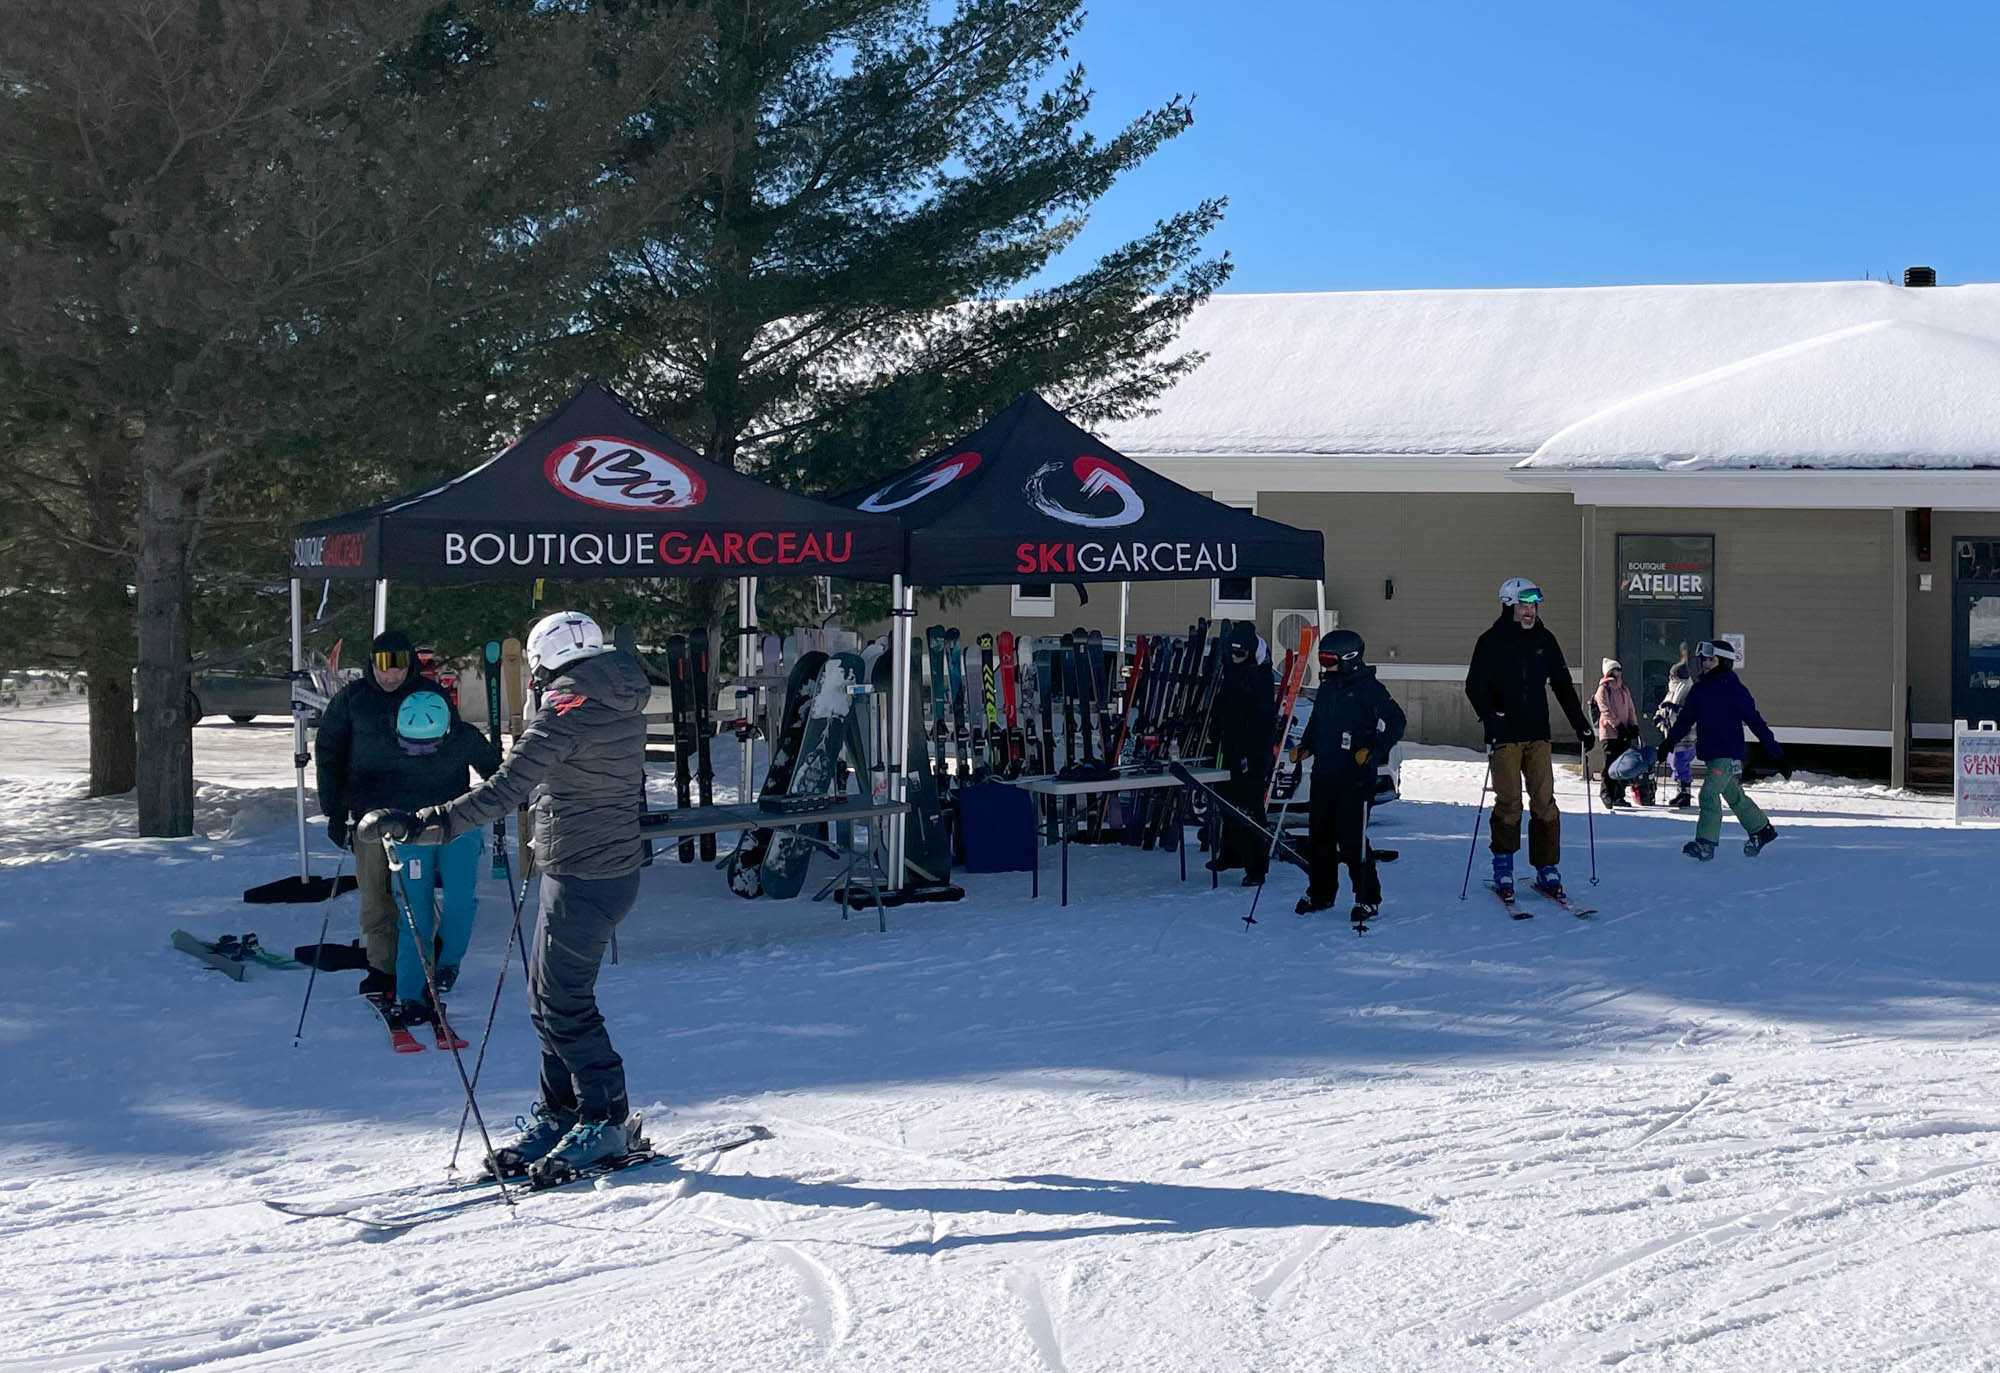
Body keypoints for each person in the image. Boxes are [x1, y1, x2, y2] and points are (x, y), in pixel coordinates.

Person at [363, 610, 651, 1185]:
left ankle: (606, 1119)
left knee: (564, 1001)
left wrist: (423, 825)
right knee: (545, 997)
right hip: (590, 867)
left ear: (546, 662)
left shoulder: (568, 709)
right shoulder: (617, 693)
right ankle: (563, 1112)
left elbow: (504, 789)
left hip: (586, 872)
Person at [315, 629, 449, 999]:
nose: (390, 674)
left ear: (410, 665)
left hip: (417, 816)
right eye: (382, 665)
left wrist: (450, 808)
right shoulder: (351, 699)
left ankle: (422, 963)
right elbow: (329, 753)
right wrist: (335, 811)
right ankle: (381, 967)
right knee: (376, 897)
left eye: (398, 666)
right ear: (371, 664)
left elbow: (451, 751)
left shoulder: (429, 696)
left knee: (415, 896)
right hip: (367, 815)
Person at [1463, 578, 1593, 900]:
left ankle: (1547, 866)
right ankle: (1503, 865)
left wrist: (1581, 726)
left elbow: (1562, 684)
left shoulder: (1544, 640)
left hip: (1538, 734)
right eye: (1523, 605)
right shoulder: (1491, 641)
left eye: (1533, 605)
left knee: (1544, 803)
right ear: (1508, 605)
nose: (1529, 611)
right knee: (1509, 804)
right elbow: (1474, 685)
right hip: (1505, 736)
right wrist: (1490, 717)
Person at [381, 689, 500, 1035]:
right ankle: (410, 990)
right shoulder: (384, 739)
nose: (421, 752)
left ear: (447, 731)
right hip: (409, 830)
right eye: (411, 745)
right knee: (413, 910)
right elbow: (366, 779)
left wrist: (493, 800)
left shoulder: (464, 736)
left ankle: (447, 962)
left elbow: (498, 775)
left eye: (430, 744)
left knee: (460, 900)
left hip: (458, 826)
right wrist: (367, 814)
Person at [1293, 630, 1405, 923]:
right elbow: (1317, 721)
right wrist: (1306, 745)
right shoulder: (1327, 687)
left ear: (1349, 659)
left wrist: (1373, 750)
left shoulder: (1369, 689)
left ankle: (1367, 898)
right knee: (1320, 838)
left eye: (1330, 661)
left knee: (1352, 841)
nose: (1325, 666)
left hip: (1355, 778)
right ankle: (1321, 892)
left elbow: (1397, 721)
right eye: (1322, 660)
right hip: (1324, 774)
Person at [1661, 640, 1790, 860]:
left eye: (1710, 660)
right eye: (1703, 659)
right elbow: (1685, 720)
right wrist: (1668, 743)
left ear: (1723, 662)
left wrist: (1777, 754)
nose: (1705, 664)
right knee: (1734, 795)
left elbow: (1756, 722)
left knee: (1708, 794)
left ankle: (1705, 843)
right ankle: (1761, 830)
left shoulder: (1734, 689)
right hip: (1711, 753)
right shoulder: (1700, 689)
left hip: (1728, 754)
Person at [1209, 621, 1277, 886]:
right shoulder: (1232, 669)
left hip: (1253, 750)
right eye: (1232, 652)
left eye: (1240, 653)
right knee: (1227, 802)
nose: (1235, 657)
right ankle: (1230, 854)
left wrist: (1252, 753)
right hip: (1230, 745)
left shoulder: (1260, 676)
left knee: (1249, 807)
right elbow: (1224, 706)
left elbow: (1261, 721)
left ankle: (1256, 867)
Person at [1593, 659, 1640, 808]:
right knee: (1609, 763)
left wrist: (1633, 725)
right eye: (1615, 669)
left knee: (1622, 766)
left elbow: (1630, 709)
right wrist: (1617, 725)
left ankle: (1619, 794)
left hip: (1624, 733)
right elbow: (1605, 710)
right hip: (1610, 733)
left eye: (1619, 669)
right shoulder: (1603, 689)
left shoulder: (1624, 689)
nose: (1618, 672)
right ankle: (1606, 792)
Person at [1654, 644, 1696, 809]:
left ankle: (1685, 793)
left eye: (1672, 676)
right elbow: (1664, 706)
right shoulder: (1673, 690)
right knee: (1674, 761)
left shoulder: (1688, 690)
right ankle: (1681, 791)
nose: (1670, 679)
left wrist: (1675, 709)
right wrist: (1660, 716)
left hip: (1687, 736)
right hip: (1673, 736)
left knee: (1680, 762)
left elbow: (1689, 712)